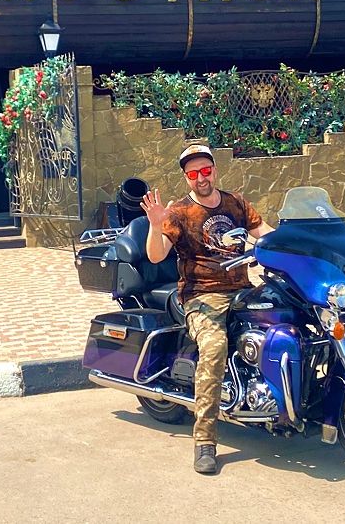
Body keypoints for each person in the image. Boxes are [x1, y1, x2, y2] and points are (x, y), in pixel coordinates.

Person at [140, 143, 275, 475]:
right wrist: (155, 225)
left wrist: (297, 243)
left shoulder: (235, 203)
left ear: (214, 169)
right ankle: (204, 441)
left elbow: (266, 234)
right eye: (193, 173)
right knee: (215, 347)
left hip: (242, 290)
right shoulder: (179, 212)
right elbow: (156, 255)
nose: (201, 178)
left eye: (205, 170)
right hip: (202, 294)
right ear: (186, 178)